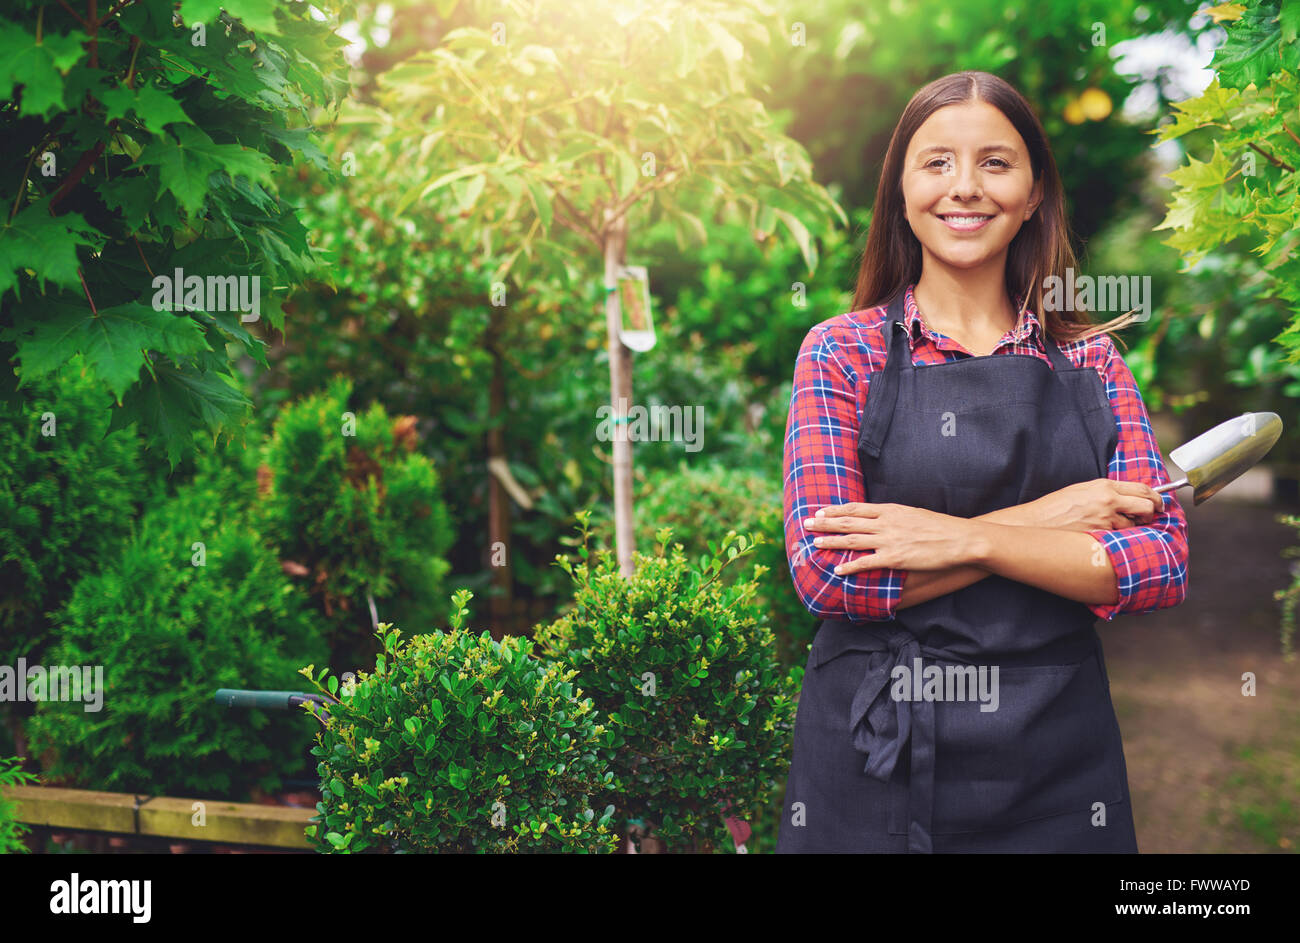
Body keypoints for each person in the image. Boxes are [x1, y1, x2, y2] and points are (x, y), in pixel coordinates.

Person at [776, 71, 1189, 854]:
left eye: (995, 163)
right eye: (936, 163)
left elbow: (1158, 559)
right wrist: (1050, 521)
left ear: (1034, 192)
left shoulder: (1093, 362)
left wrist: (966, 540)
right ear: (901, 188)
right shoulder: (841, 352)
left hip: (1055, 757)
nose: (964, 187)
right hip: (874, 747)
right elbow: (827, 573)